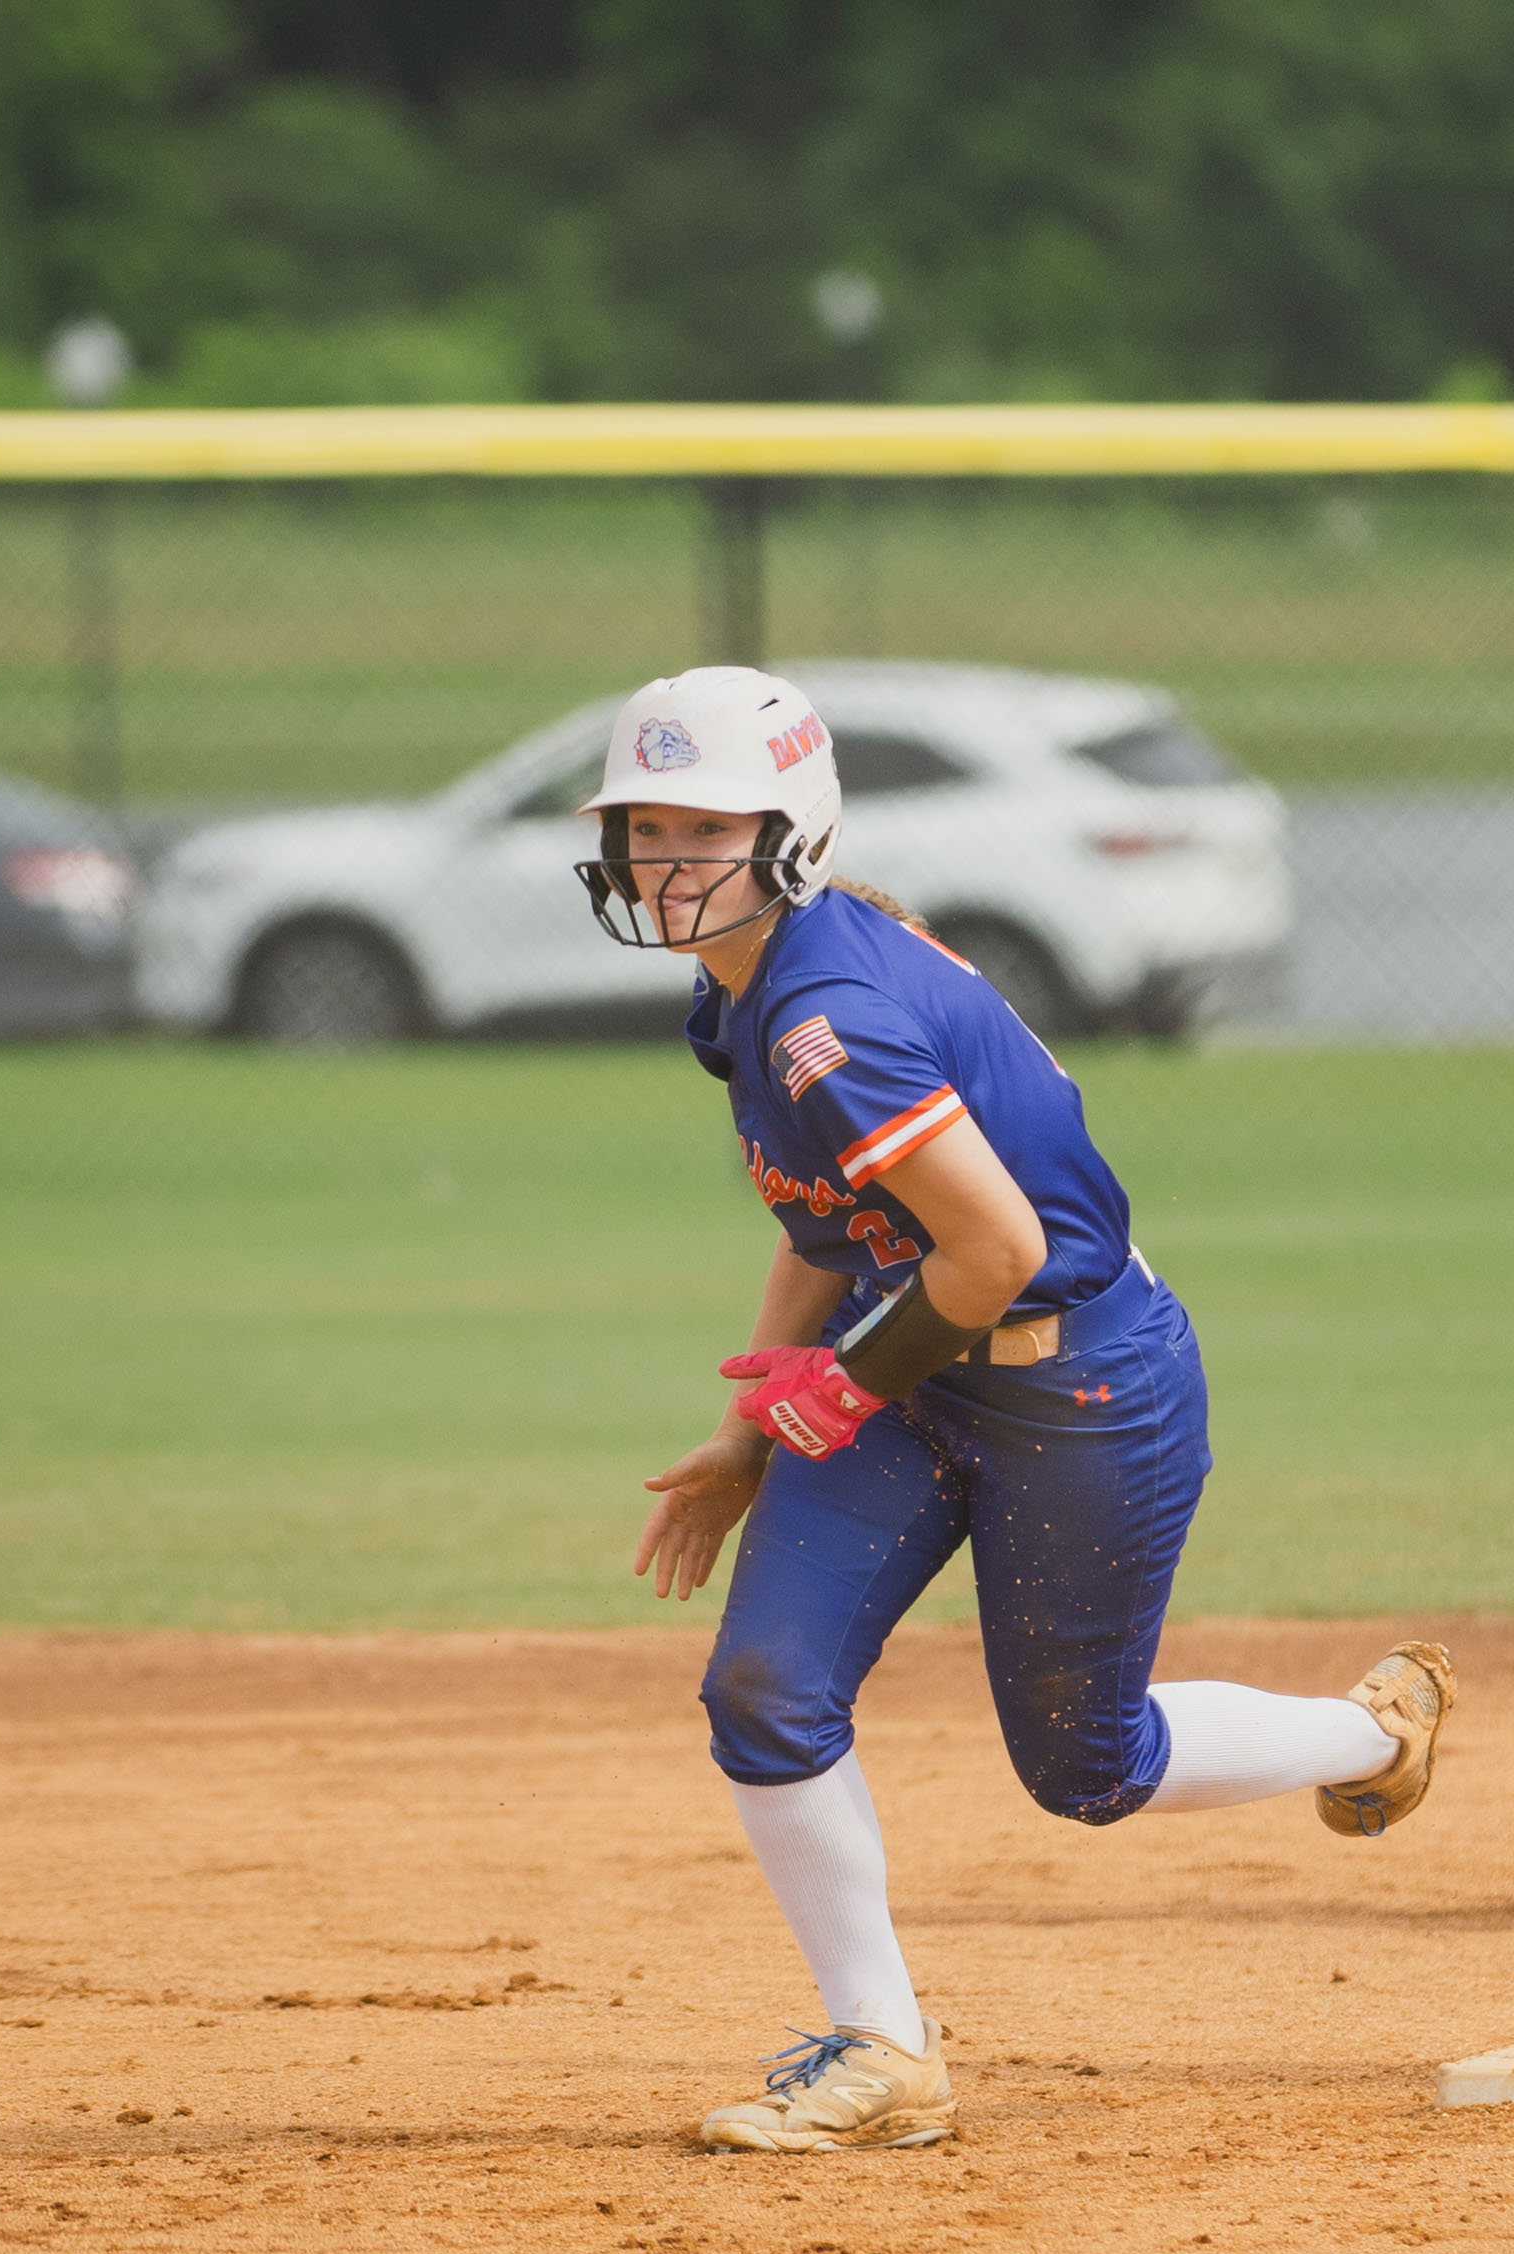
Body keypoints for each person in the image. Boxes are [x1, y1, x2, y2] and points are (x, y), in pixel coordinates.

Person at [578, 664, 1457, 2153]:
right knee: (764, 1688)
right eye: (640, 826)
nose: (663, 862)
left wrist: (839, 1388)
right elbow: (821, 1225)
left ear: (788, 830)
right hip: (921, 1366)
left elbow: (1000, 1251)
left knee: (1086, 1768)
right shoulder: (752, 991)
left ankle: (1371, 1734)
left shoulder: (827, 1017)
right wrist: (748, 1428)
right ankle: (885, 2051)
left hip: (1082, 1386)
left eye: (702, 827)